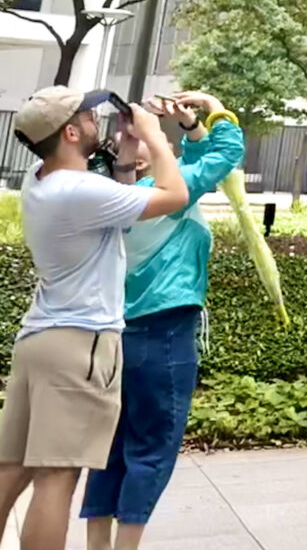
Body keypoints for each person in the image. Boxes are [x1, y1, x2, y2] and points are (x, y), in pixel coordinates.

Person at [0, 88, 188, 550]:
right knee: (56, 477)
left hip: (40, 342)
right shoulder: (80, 190)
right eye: (86, 116)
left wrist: (124, 160)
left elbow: (115, 212)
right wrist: (152, 136)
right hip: (81, 345)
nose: (94, 120)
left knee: (11, 469)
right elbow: (175, 194)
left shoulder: (42, 179)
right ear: (69, 132)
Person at [80, 90, 243, 550]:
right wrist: (212, 105)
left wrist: (182, 131)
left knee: (111, 452)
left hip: (117, 337)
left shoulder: (112, 197)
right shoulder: (167, 193)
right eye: (163, 144)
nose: (172, 147)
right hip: (166, 336)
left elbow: (196, 162)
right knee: (152, 450)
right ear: (152, 159)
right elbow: (226, 153)